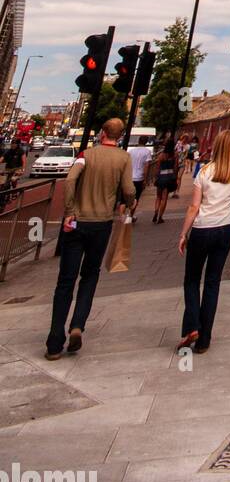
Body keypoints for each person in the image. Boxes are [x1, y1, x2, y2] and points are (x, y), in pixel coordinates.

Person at [45, 118, 136, 360]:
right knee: (90, 275)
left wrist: (69, 211)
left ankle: (54, 341)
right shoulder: (123, 158)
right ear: (120, 135)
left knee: (66, 281)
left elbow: (71, 179)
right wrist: (130, 203)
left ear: (103, 132)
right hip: (101, 224)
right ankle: (77, 325)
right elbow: (128, 190)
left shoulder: (87, 154)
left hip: (76, 223)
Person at [177, 130, 230, 354]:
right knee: (212, 282)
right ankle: (204, 338)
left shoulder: (205, 171)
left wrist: (183, 233)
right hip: (224, 229)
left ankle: (191, 326)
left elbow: (194, 207)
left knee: (191, 280)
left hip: (201, 230)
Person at [152, 138, 179, 223]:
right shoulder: (175, 155)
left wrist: (156, 177)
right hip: (169, 177)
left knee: (158, 197)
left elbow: (157, 167)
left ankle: (156, 212)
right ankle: (160, 216)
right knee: (164, 198)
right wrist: (175, 177)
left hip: (161, 177)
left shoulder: (161, 155)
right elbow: (175, 167)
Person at [127, 137, 153, 222]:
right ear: (146, 142)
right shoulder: (147, 152)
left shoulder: (131, 151)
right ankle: (130, 215)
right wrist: (145, 179)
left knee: (127, 197)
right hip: (139, 177)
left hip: (130, 176)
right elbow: (146, 166)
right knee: (136, 198)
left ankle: (124, 214)